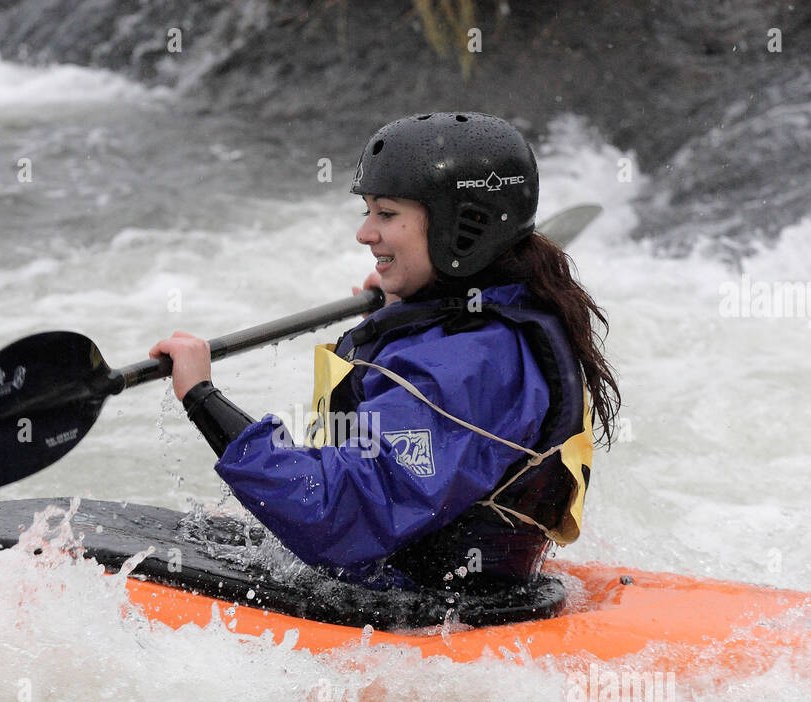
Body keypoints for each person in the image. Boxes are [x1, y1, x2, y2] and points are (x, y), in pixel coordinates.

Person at [150, 111, 620, 591]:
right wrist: (407, 310)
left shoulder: (464, 369)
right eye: (367, 212)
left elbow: (337, 515)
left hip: (428, 609)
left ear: (464, 227)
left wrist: (203, 397)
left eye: (387, 214)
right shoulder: (490, 312)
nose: (366, 233)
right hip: (451, 581)